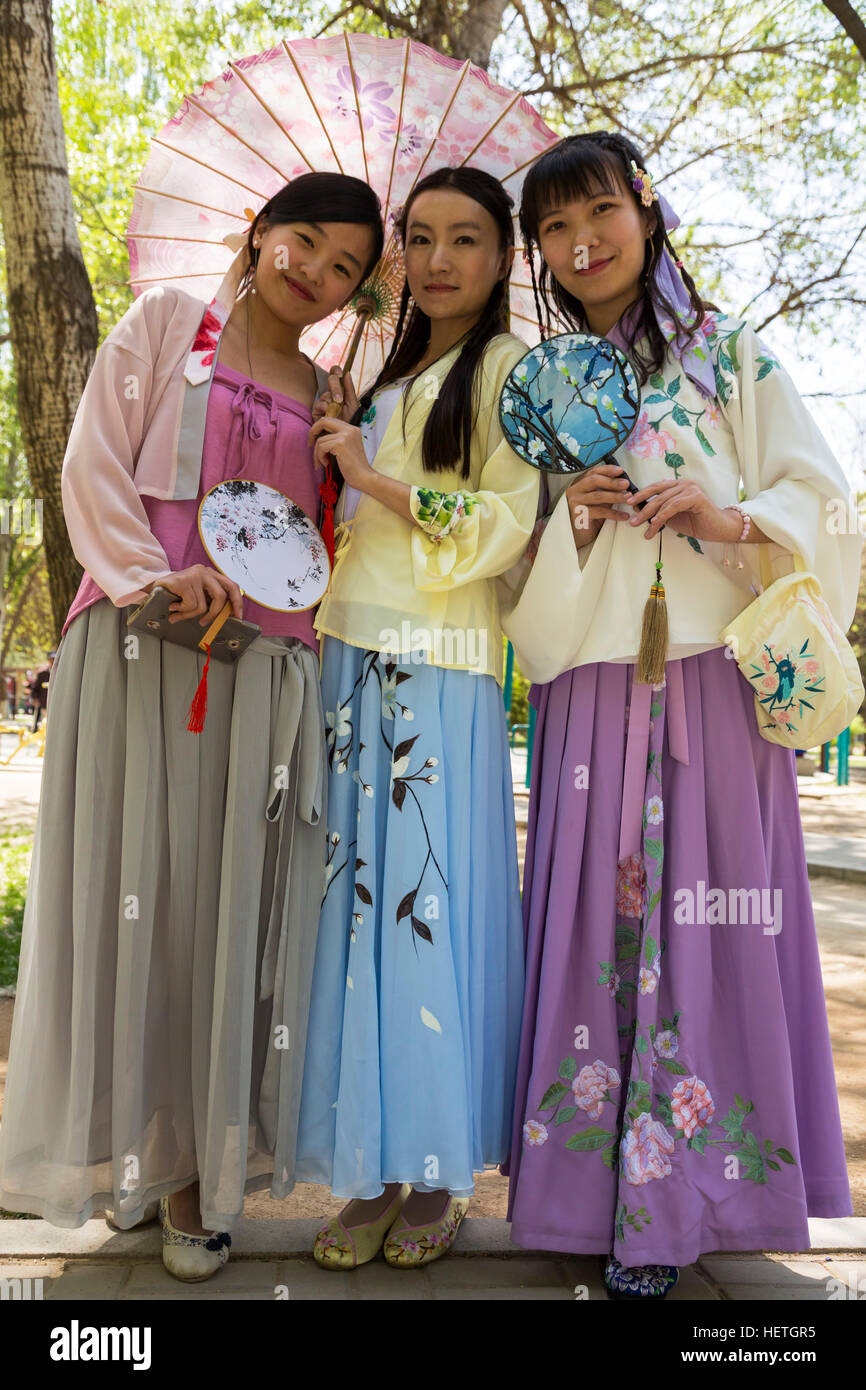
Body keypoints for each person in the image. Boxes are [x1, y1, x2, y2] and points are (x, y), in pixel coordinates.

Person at [0, 172, 384, 1283]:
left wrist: (344, 469)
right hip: (140, 650)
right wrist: (151, 576)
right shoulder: (168, 324)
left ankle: (191, 1175)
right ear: (256, 232)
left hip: (263, 673)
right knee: (138, 901)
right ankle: (137, 1159)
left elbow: (324, 553)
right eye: (301, 241)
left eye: (344, 266)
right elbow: (92, 464)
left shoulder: (328, 391)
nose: (313, 271)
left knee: (227, 914)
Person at [498, 132, 860, 1299]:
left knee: (711, 929)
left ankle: (691, 1201)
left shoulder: (732, 360)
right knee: (592, 934)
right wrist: (579, 518)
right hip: (592, 688)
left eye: (595, 210)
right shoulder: (543, 385)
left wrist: (726, 515)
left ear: (644, 210)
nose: (577, 242)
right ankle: (586, 1199)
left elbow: (819, 498)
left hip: (710, 685)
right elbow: (513, 579)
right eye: (551, 228)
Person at [293, 166, 540, 1269]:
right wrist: (340, 445)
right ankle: (373, 1164)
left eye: (468, 239)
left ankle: (436, 1167)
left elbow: (503, 525)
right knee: (355, 917)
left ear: (500, 260)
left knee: (420, 913)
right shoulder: (393, 371)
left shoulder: (505, 369)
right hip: (349, 651)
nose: (439, 259)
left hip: (438, 665)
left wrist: (376, 477)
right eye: (422, 239)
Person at [28, 655, 54, 731]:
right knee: (44, 724)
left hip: (56, 704)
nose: (52, 661)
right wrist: (35, 698)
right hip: (44, 704)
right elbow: (35, 688)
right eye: (51, 659)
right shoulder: (42, 674)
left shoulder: (61, 673)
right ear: (49, 661)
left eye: (54, 659)